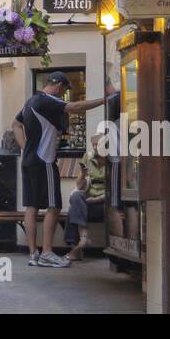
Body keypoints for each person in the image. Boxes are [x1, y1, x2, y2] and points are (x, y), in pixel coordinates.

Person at [14, 71, 106, 268]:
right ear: (57, 85)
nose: (63, 94)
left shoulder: (31, 102)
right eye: (64, 90)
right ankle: (47, 252)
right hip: (45, 160)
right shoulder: (47, 100)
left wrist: (25, 148)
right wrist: (104, 100)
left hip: (29, 160)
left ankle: (33, 254)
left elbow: (15, 125)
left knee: (31, 206)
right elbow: (76, 106)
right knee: (54, 206)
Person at [66, 147, 108, 260]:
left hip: (105, 203)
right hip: (88, 201)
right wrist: (83, 174)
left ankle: (76, 248)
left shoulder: (113, 161)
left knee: (72, 210)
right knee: (76, 197)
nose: (95, 147)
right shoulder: (88, 157)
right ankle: (83, 239)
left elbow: (114, 191)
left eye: (98, 144)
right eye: (93, 144)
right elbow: (79, 187)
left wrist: (97, 199)